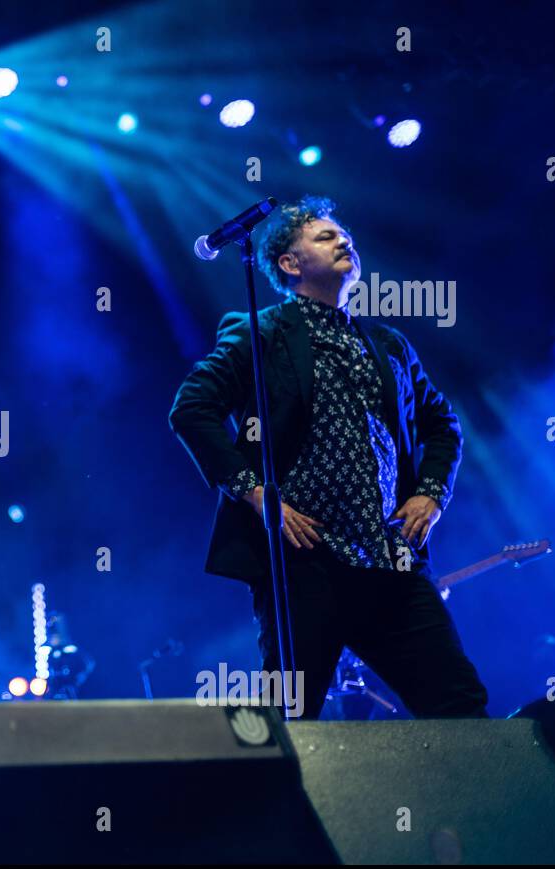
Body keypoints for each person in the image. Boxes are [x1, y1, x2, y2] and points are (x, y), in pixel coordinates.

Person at [169, 195, 488, 720]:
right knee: (292, 719)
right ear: (290, 264)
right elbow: (192, 409)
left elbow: (442, 423)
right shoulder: (261, 332)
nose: (344, 241)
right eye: (326, 236)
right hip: (304, 562)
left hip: (388, 557)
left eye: (345, 236)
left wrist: (431, 493)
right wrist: (256, 493)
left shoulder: (388, 343)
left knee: (460, 704)